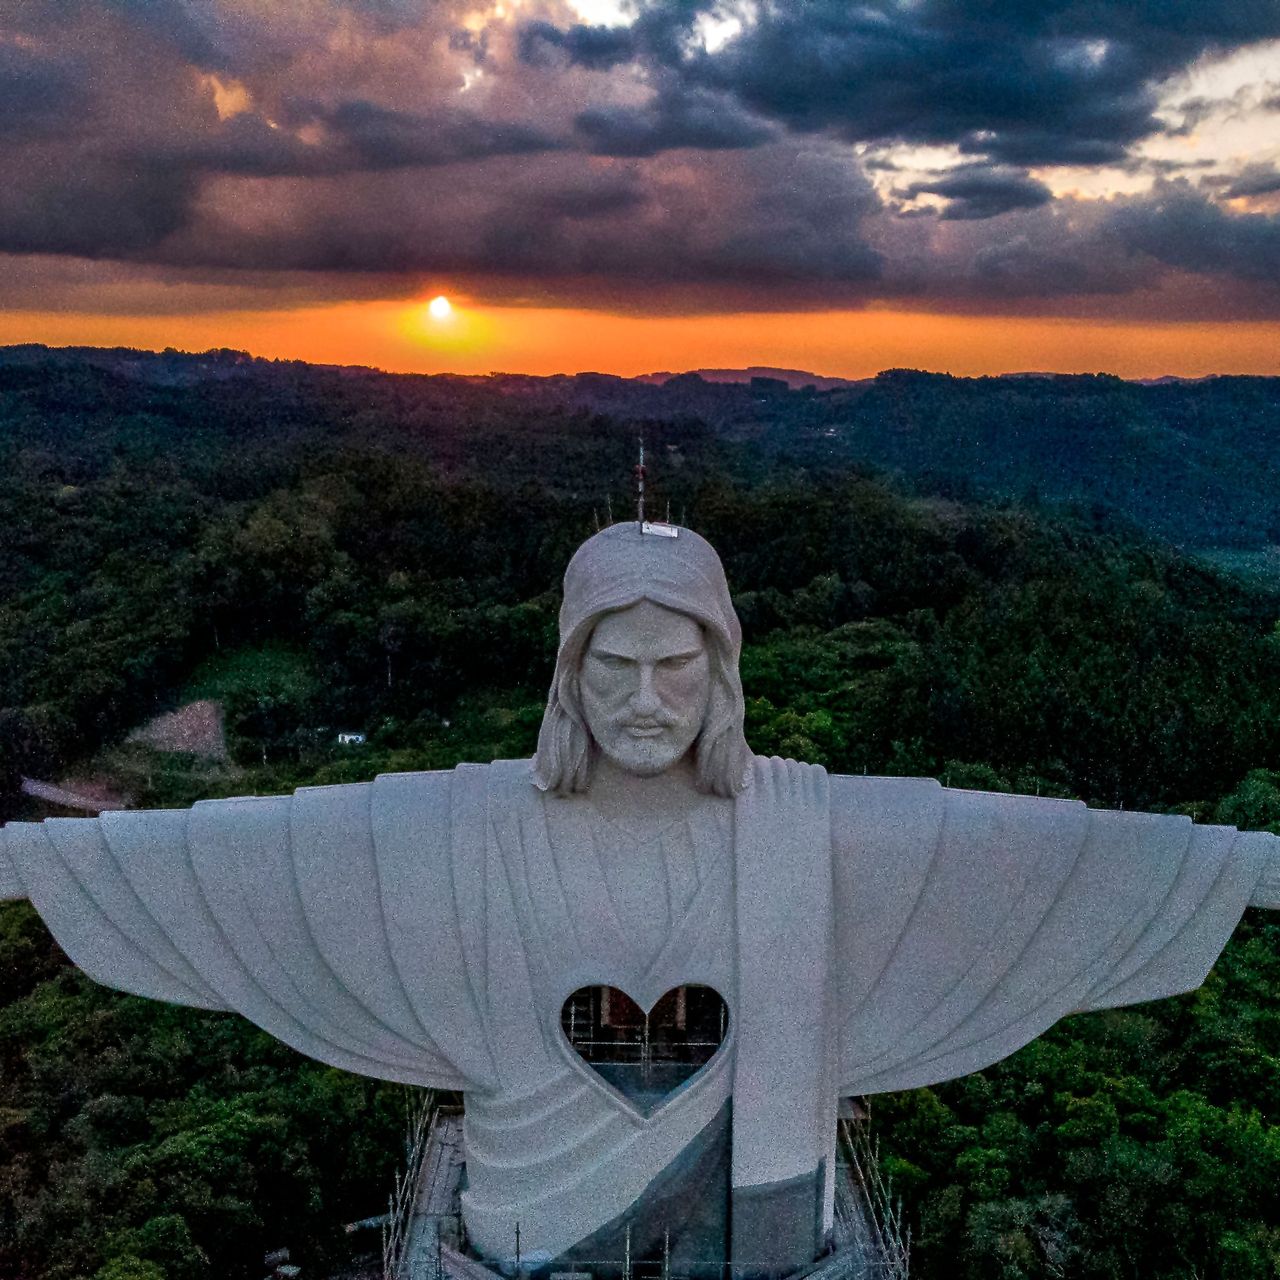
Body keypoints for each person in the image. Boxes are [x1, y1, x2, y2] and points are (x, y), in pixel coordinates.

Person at [2, 522, 1278, 1276]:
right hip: (508, 1231)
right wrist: (34, 859)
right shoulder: (460, 826)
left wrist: (1236, 864)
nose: (647, 699)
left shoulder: (812, 828)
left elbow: (1038, 857)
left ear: (721, 671)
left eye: (678, 665)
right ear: (569, 671)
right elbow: (249, 856)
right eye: (613, 665)